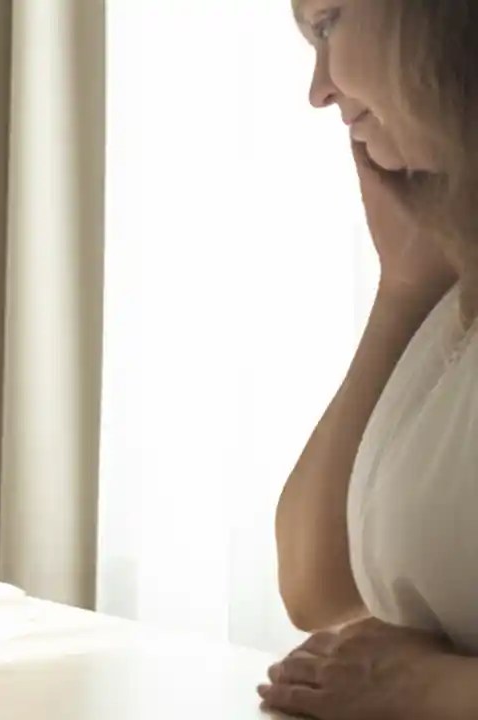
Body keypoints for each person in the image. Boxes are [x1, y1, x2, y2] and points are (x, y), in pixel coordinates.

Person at [263, 1, 478, 717]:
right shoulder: (447, 297)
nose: (319, 89)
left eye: (328, 25)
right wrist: (405, 289)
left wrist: (435, 690)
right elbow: (318, 588)